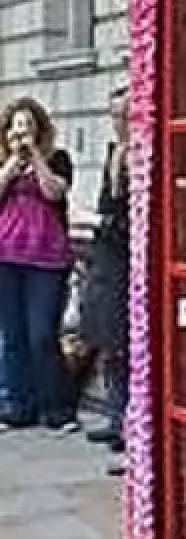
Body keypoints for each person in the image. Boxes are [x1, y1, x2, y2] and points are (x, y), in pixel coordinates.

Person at [0, 97, 78, 433]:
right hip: (6, 256)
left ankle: (57, 408)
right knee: (12, 335)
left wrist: (36, 159)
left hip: (47, 259)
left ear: (40, 130)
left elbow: (54, 193)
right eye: (16, 129)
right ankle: (18, 405)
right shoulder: (4, 163)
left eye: (29, 127)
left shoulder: (57, 159)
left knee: (43, 334)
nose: (22, 135)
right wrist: (10, 167)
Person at [82, 88, 131, 468]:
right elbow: (105, 204)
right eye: (115, 115)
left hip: (133, 260)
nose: (120, 123)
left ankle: (131, 425)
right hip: (108, 257)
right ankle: (116, 418)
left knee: (130, 346)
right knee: (110, 342)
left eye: (126, 115)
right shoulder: (114, 154)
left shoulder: (144, 156)